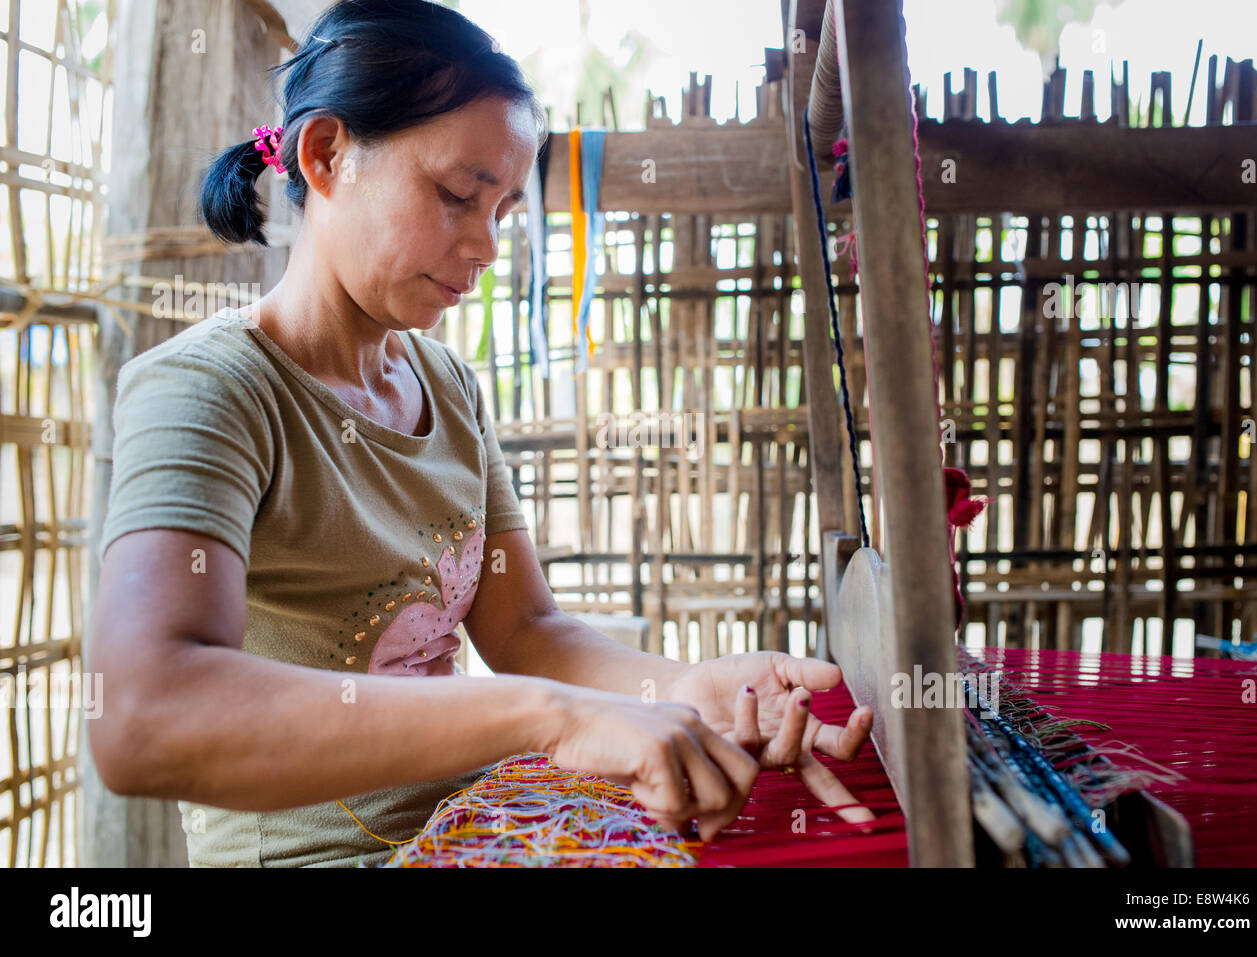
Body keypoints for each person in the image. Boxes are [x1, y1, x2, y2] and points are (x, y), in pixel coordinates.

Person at [88, 0, 874, 868]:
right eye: (458, 195)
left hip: (478, 832)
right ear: (325, 155)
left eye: (501, 207)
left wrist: (681, 689)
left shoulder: (446, 387)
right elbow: (143, 714)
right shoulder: (210, 390)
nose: (489, 244)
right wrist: (551, 716)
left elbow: (528, 630)